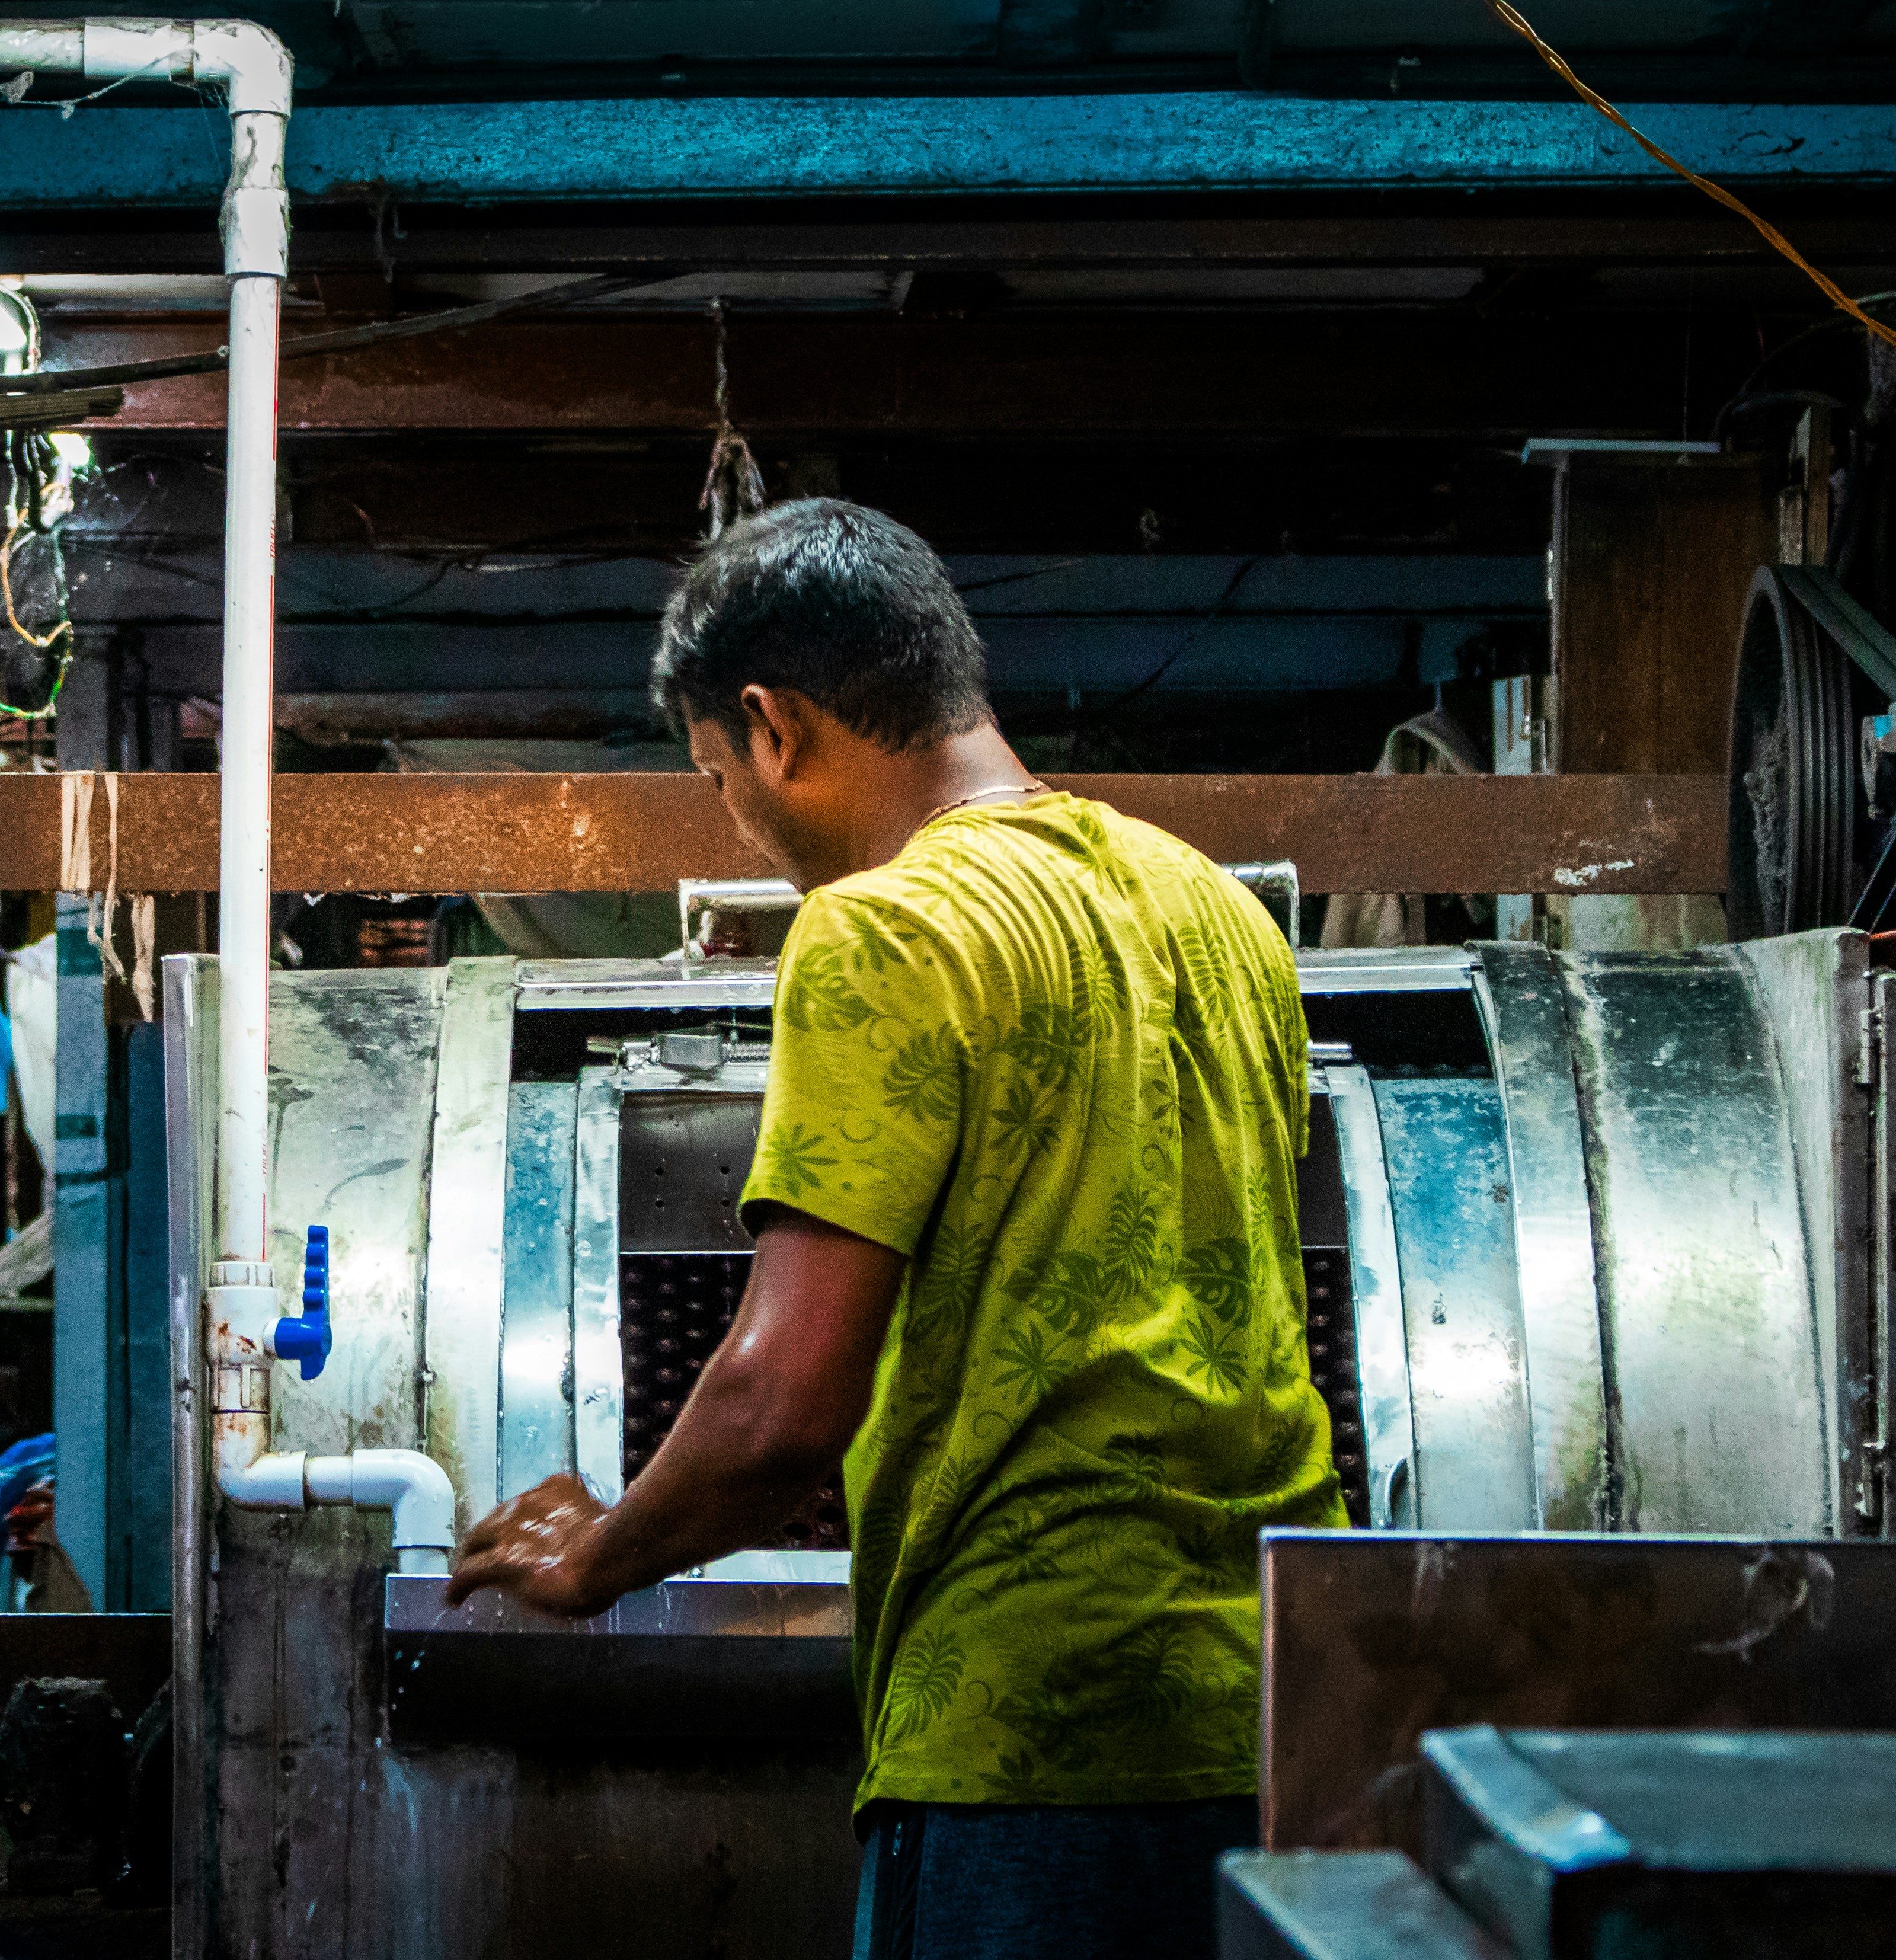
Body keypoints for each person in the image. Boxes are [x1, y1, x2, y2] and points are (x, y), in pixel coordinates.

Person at [445, 499, 1345, 1957]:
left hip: (1032, 1726)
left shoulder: (884, 929)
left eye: (717, 777)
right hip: (1281, 1709)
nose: (735, 815)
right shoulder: (1216, 913)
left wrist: (599, 1553)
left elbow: (783, 1398)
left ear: (773, 725)